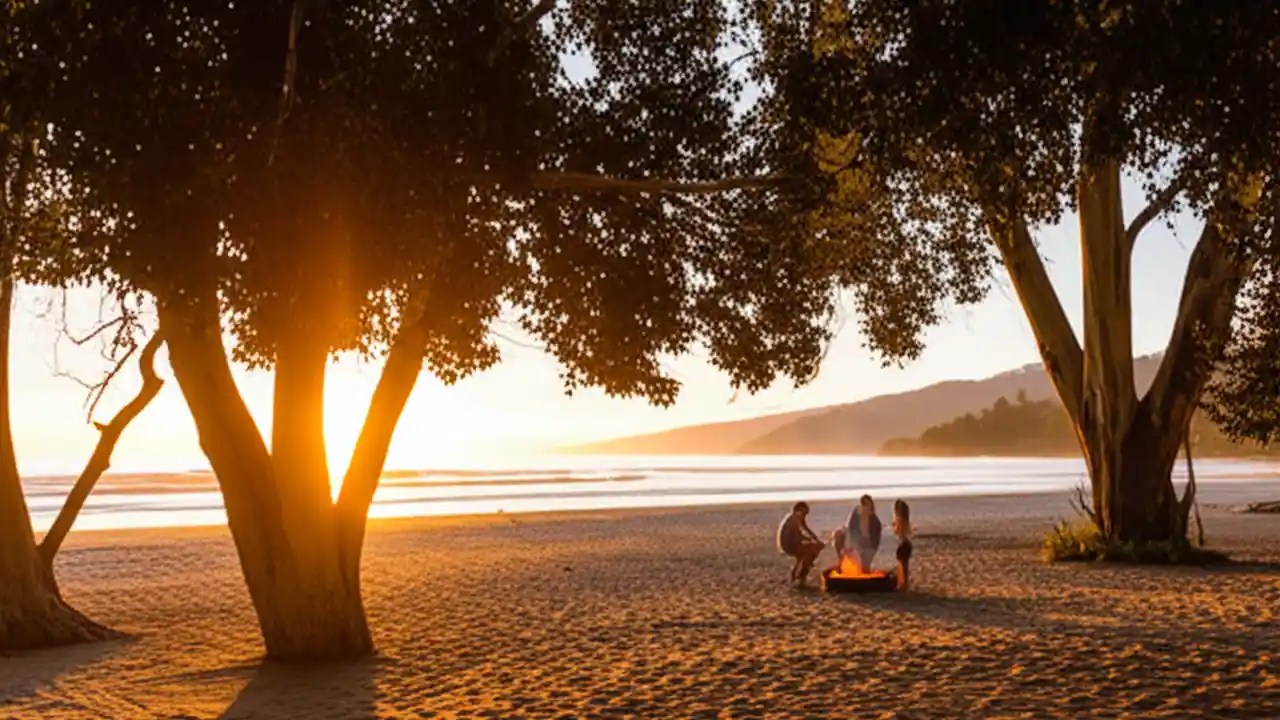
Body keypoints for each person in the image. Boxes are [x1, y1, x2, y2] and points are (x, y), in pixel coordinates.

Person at [777, 502, 824, 587]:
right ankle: (802, 576)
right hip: (789, 544)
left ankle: (797, 574)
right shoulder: (793, 520)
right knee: (812, 550)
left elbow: (806, 529)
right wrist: (812, 541)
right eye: (804, 513)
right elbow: (797, 537)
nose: (805, 516)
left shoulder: (797, 518)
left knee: (811, 550)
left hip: (793, 542)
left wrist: (816, 539)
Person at [845, 494, 882, 574]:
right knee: (856, 566)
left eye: (868, 505)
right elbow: (850, 530)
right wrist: (851, 546)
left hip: (869, 545)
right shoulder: (855, 516)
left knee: (865, 567)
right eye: (865, 504)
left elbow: (877, 537)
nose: (866, 507)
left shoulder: (875, 520)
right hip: (858, 544)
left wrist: (873, 549)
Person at [892, 499, 914, 590]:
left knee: (902, 566)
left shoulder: (899, 520)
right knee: (905, 566)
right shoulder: (906, 520)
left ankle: (903, 584)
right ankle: (904, 584)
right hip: (907, 543)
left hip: (903, 543)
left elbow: (898, 532)